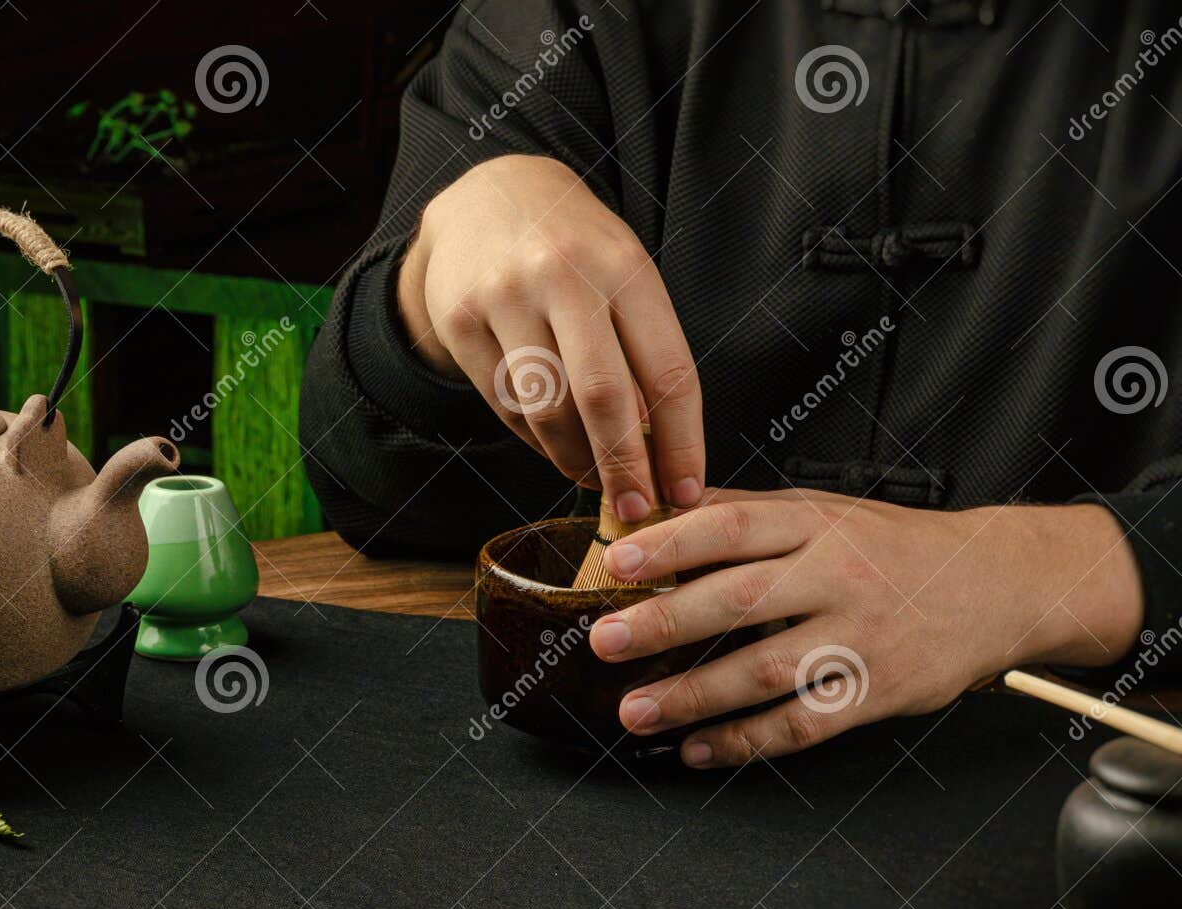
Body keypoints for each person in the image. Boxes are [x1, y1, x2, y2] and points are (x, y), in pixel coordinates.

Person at [299, 0, 1182, 769]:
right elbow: (369, 477)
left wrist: (1034, 575)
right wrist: (433, 278)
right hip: (606, 804)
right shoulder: (572, 17)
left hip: (1074, 793)